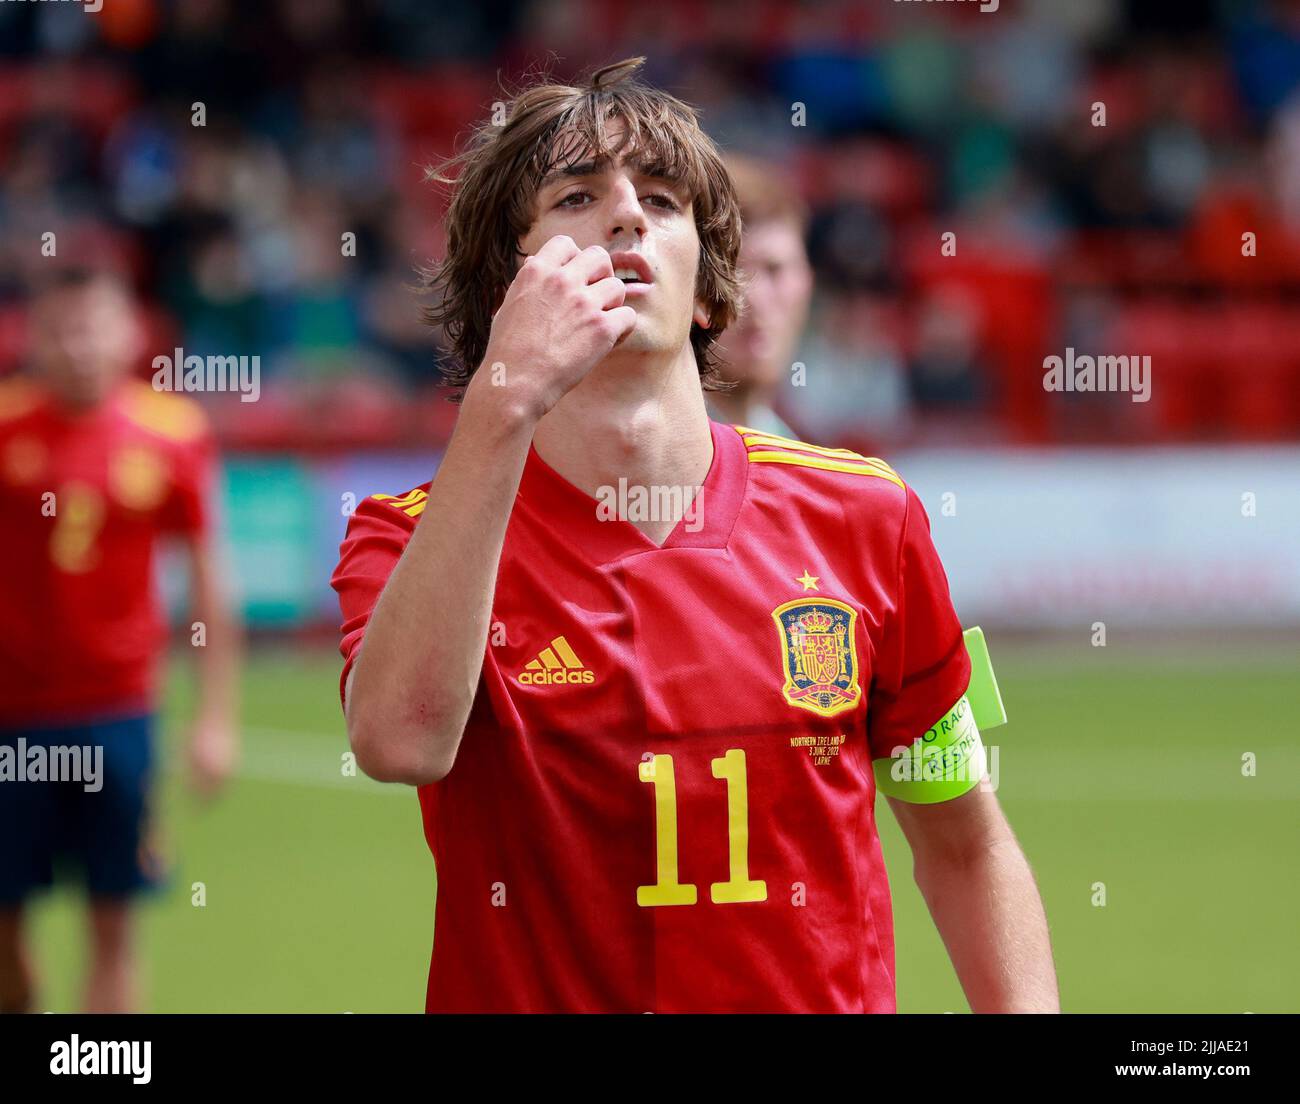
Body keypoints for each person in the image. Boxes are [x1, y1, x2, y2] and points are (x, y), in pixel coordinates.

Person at [332, 58, 1058, 1013]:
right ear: (502, 291)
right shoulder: (407, 538)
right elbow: (399, 743)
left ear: (713, 294)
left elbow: (966, 846)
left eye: (663, 201)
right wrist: (504, 397)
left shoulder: (868, 519)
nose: (627, 216)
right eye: (578, 196)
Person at [0, 269, 240, 1013]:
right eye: (63, 329)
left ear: (130, 334)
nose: (79, 346)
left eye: (94, 327)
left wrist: (213, 719)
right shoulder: (5, 428)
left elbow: (207, 580)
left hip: (120, 714)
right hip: (11, 716)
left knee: (116, 925)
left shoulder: (173, 433)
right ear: (36, 337)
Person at [708, 153, 813, 437]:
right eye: (732, 270)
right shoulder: (645, 453)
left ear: (807, 281)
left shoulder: (792, 451)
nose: (755, 297)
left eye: (775, 270)